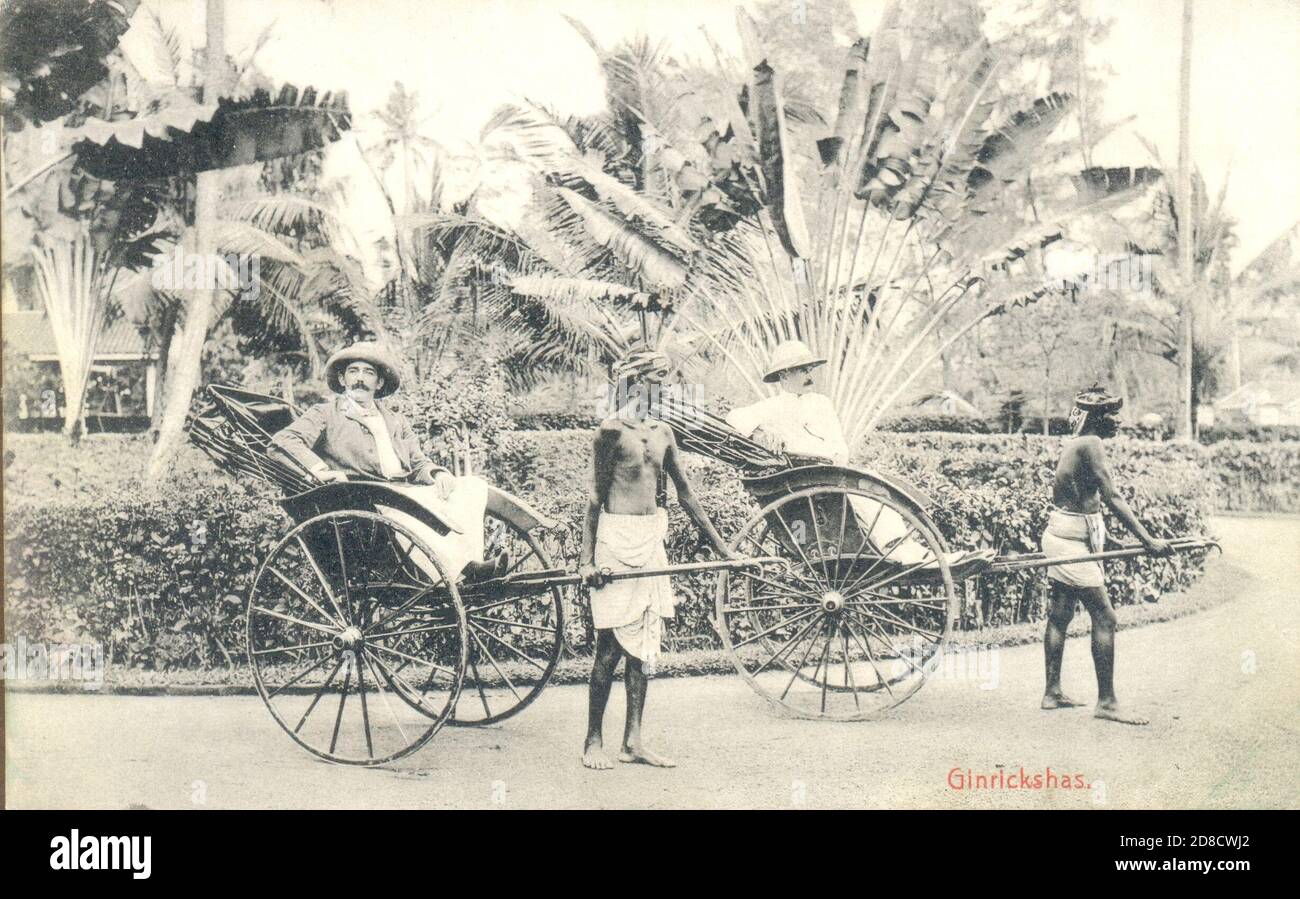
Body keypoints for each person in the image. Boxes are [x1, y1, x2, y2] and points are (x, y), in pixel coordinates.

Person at [580, 347, 734, 770]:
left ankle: (633, 741)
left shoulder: (664, 433)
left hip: (651, 542)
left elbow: (686, 495)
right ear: (634, 383)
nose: (662, 387)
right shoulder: (609, 431)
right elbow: (595, 497)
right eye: (655, 380)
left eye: (663, 380)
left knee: (643, 651)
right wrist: (586, 560)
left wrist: (724, 550)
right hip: (617, 542)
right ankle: (593, 740)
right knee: (608, 649)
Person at [726, 339, 990, 571]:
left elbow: (839, 446)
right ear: (783, 375)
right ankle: (902, 550)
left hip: (833, 471)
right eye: (801, 370)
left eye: (809, 369)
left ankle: (905, 549)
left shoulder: (821, 403)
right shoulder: (770, 408)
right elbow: (733, 417)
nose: (809, 375)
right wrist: (759, 432)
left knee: (871, 483)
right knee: (866, 485)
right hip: (808, 479)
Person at [269, 341, 503, 583]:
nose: (360, 379)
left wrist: (437, 475)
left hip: (404, 491)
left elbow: (417, 462)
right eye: (353, 371)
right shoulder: (326, 413)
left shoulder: (395, 421)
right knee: (414, 509)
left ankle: (471, 567)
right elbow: (283, 441)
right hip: (366, 499)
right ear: (342, 379)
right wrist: (321, 471)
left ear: (379, 382)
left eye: (369, 372)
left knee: (471, 486)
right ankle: (454, 575)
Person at [1040, 386, 1172, 725]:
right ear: (1096, 418)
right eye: (1112, 415)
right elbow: (1111, 496)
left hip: (1062, 536)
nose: (1119, 421)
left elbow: (1080, 501)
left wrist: (1106, 537)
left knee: (1060, 614)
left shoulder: (1076, 444)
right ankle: (1107, 702)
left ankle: (1052, 692)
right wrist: (1148, 540)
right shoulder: (1091, 444)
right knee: (1106, 617)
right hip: (1071, 545)